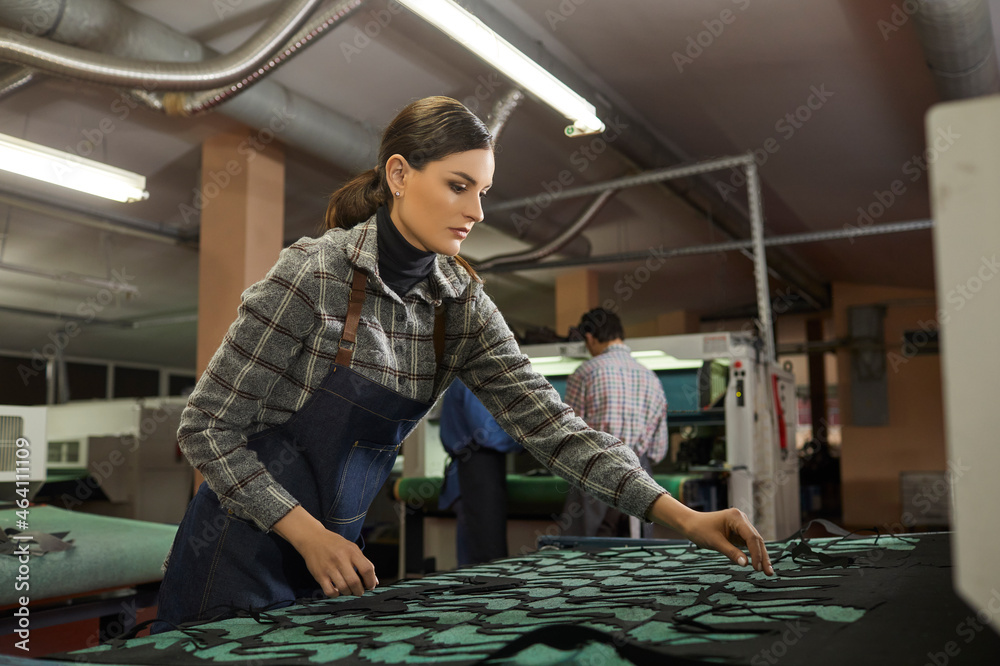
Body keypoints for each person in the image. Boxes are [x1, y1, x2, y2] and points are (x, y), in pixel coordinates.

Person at [153, 96, 774, 632]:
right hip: (235, 552)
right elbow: (206, 428)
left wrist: (683, 517)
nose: (476, 211)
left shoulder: (461, 306)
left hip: (336, 559)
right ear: (399, 174)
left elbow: (555, 429)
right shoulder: (315, 275)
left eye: (483, 192)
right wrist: (306, 533)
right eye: (459, 185)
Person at [561, 308, 669, 539]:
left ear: (589, 337)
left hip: (595, 472)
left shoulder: (585, 373)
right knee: (638, 557)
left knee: (586, 558)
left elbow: (569, 436)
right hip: (640, 478)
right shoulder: (651, 378)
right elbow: (659, 451)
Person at [438, 378, 523, 565]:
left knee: (478, 559)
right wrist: (523, 441)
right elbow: (487, 434)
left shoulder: (465, 378)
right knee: (485, 560)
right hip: (475, 473)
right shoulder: (473, 379)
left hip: (476, 472)